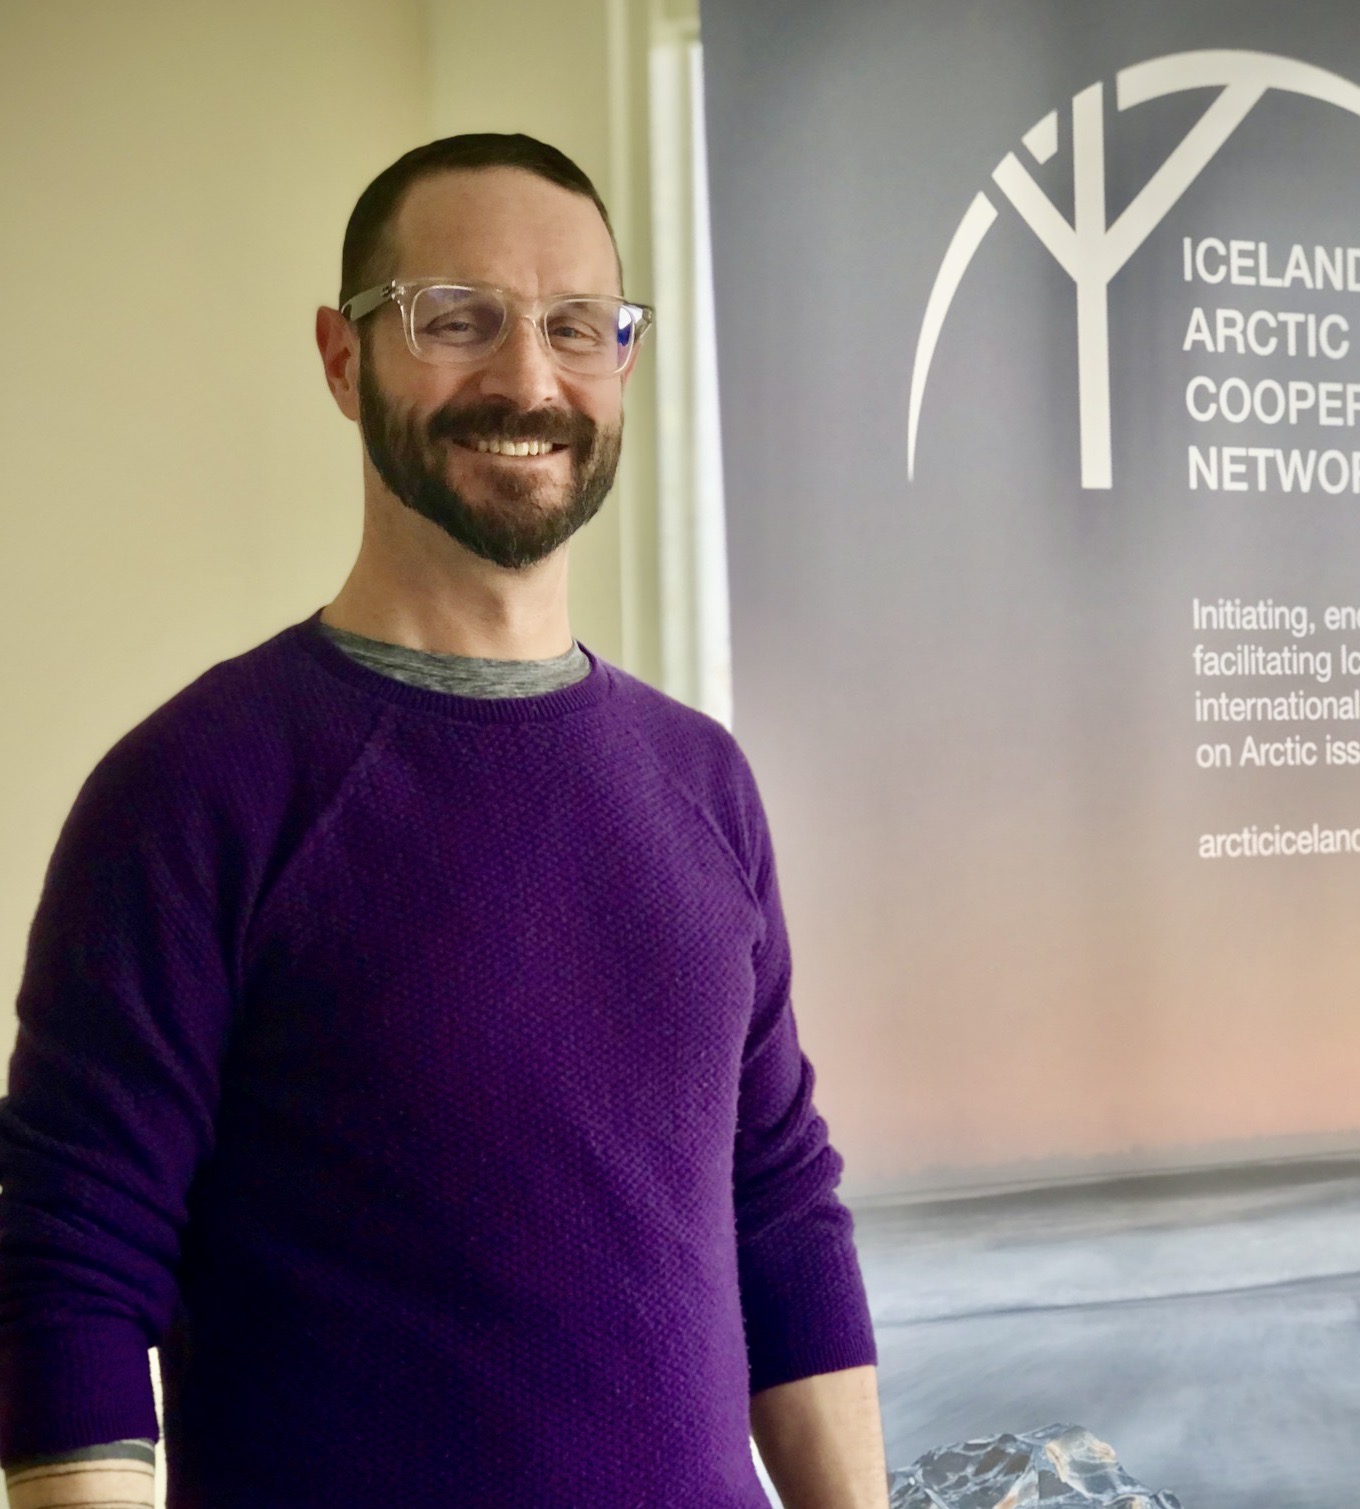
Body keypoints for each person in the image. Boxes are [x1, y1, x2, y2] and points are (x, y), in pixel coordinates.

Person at [0, 133, 887, 1508]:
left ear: (623, 364)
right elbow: (72, 1270)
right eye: (456, 319)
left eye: (575, 326)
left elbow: (776, 1209)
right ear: (345, 360)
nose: (528, 379)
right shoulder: (193, 790)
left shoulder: (704, 782)